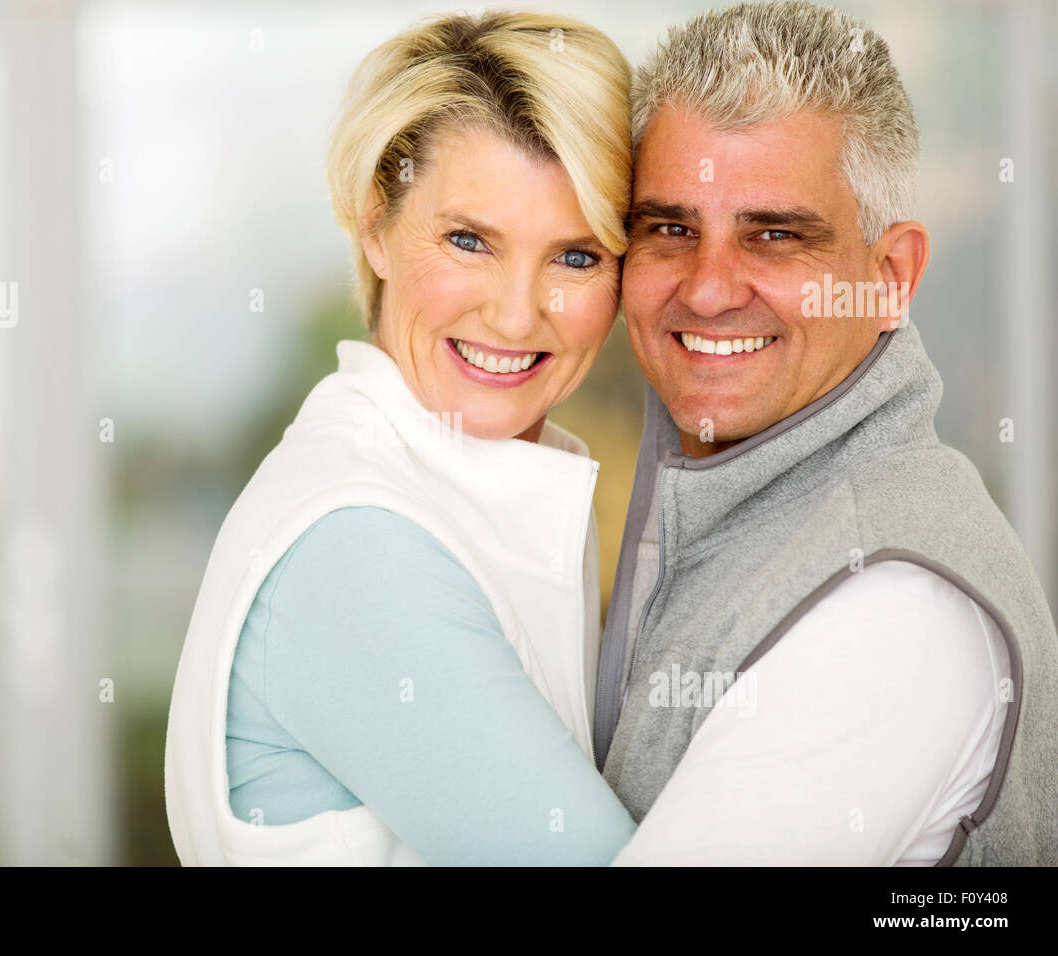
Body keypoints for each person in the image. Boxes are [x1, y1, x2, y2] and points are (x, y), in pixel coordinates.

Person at [165, 10, 640, 865]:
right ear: (375, 225)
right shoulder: (358, 543)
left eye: (576, 257)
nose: (516, 315)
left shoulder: (475, 491)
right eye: (469, 241)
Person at [596, 0, 1058, 865]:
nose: (707, 289)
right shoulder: (714, 494)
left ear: (890, 277)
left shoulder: (892, 608)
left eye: (774, 236)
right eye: (670, 229)